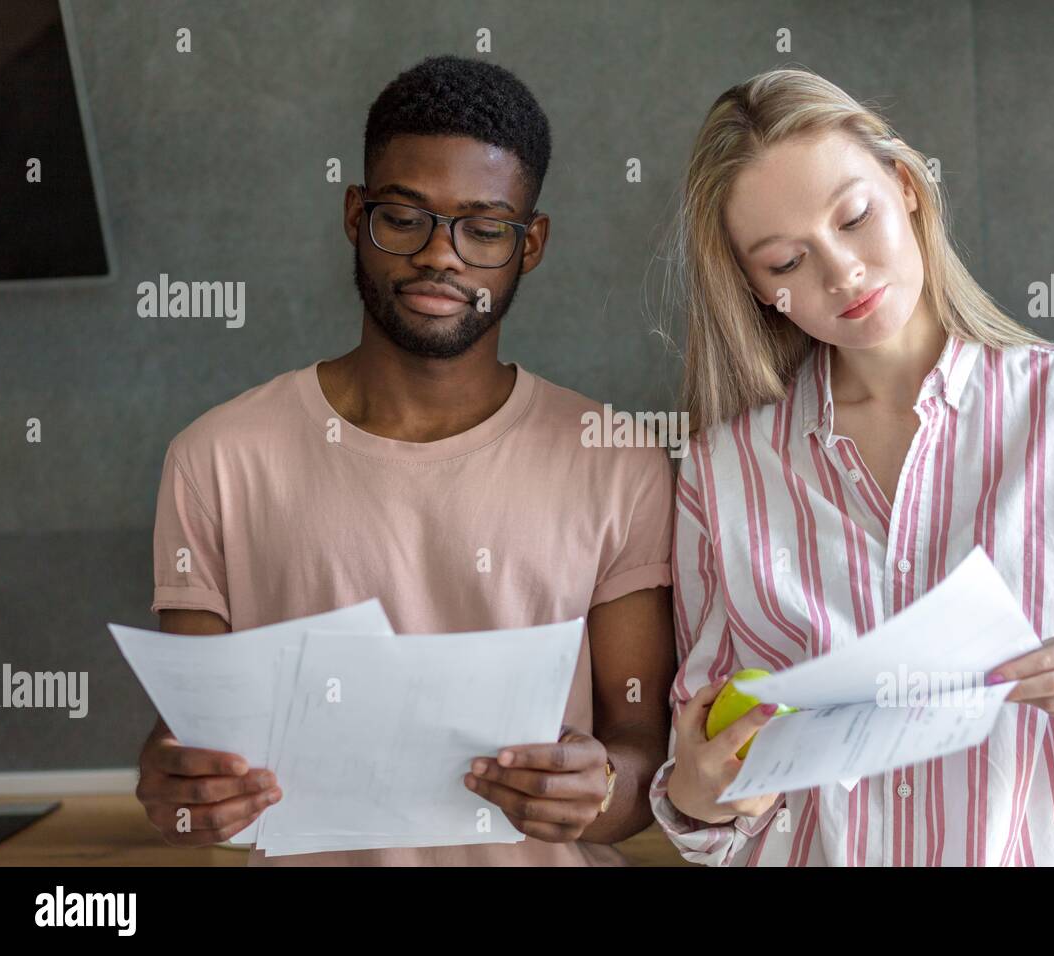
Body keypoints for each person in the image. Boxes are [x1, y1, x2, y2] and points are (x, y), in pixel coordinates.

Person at [649, 68, 1054, 866]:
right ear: (753, 287)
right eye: (785, 262)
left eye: (854, 217)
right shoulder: (724, 467)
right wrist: (700, 793)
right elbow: (702, 788)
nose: (840, 272)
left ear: (906, 186)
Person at [135, 55, 676, 866]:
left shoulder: (616, 461)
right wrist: (176, 789)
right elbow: (187, 743)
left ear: (530, 246)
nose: (440, 256)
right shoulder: (217, 458)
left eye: (485, 227)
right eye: (405, 217)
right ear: (355, 215)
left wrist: (598, 789)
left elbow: (640, 755)